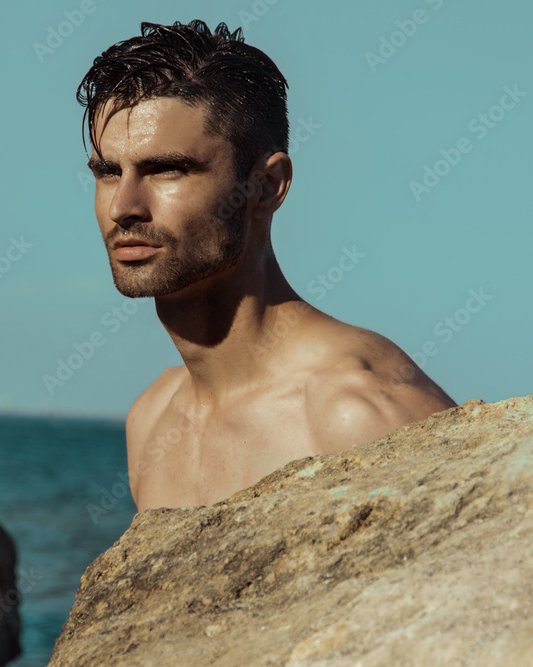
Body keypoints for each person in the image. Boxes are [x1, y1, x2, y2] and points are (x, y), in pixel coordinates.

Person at [77, 20, 457, 511]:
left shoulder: (357, 413)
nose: (122, 206)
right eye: (108, 172)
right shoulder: (152, 421)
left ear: (267, 186)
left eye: (166, 169)